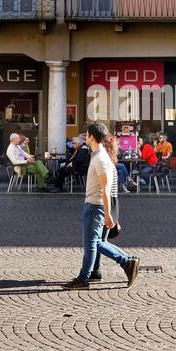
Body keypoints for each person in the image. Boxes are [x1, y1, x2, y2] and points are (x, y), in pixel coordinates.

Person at [63, 121, 141, 290]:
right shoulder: (97, 155)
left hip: (95, 206)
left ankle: (122, 263)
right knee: (96, 242)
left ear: (91, 136)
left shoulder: (101, 159)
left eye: (86, 134)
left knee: (93, 243)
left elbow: (106, 190)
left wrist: (108, 214)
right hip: (93, 205)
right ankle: (111, 267)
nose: (85, 137)